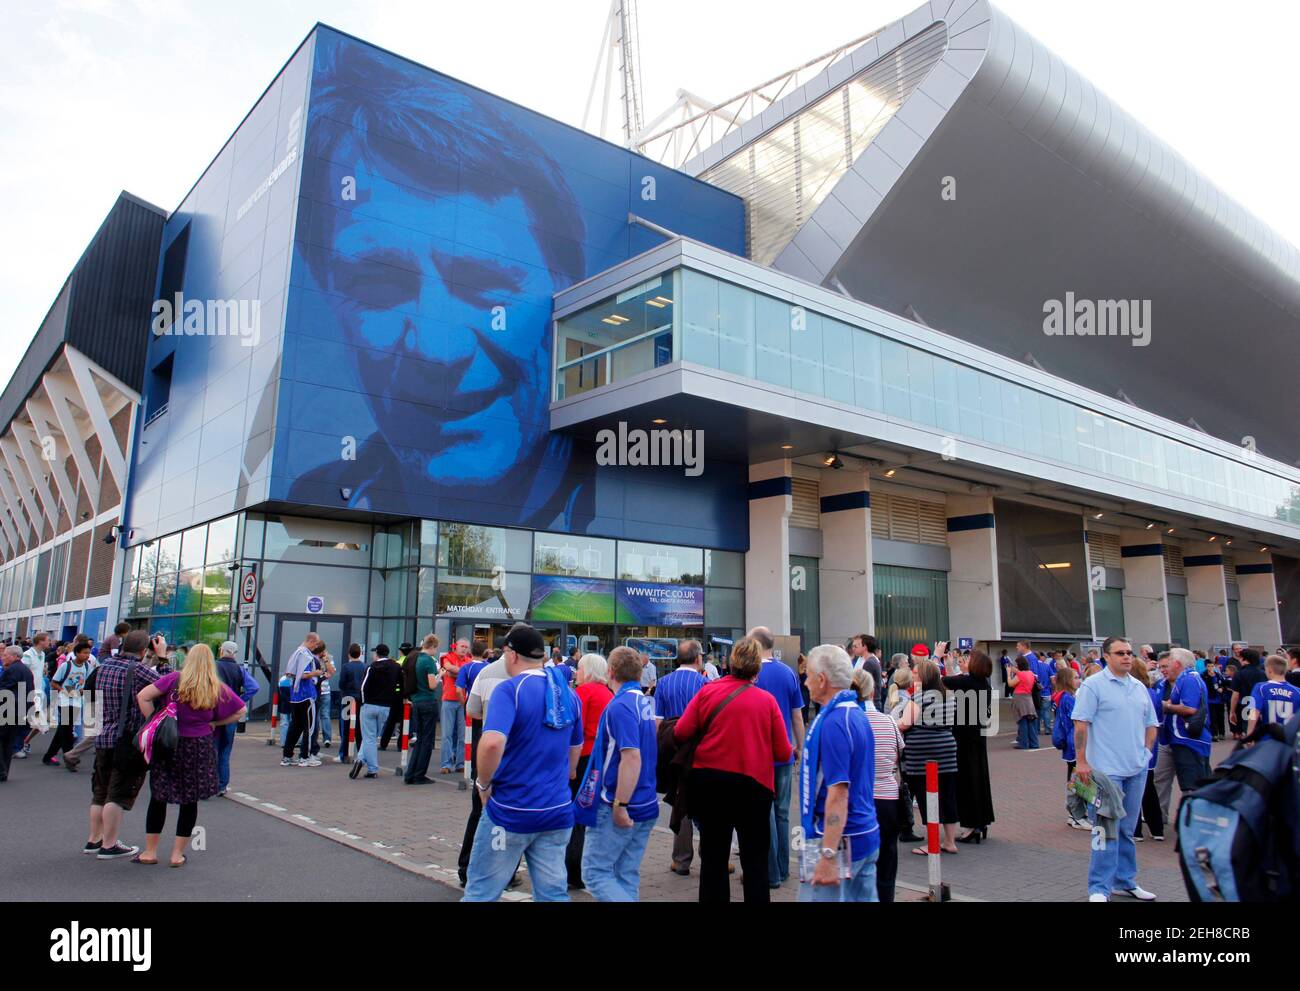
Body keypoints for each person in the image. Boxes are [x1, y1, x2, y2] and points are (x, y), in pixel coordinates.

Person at [463, 625, 583, 902]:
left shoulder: (510, 690)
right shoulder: (568, 695)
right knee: (552, 893)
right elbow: (575, 748)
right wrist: (565, 774)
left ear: (512, 654)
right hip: (556, 811)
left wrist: (483, 783)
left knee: (482, 890)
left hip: (510, 812)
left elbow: (492, 742)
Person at [673, 636, 792, 902]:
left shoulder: (708, 691)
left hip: (711, 782)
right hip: (754, 786)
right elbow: (783, 751)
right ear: (756, 668)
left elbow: (681, 732)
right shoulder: (767, 701)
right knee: (755, 860)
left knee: (714, 859)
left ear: (730, 663)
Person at [133, 643, 245, 866]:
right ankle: (177, 854)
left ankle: (150, 852)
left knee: (159, 796)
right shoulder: (215, 687)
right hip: (200, 745)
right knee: (189, 799)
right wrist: (215, 722)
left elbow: (143, 696)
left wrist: (155, 720)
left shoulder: (174, 679)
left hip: (168, 743)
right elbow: (240, 711)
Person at [1071, 637, 1160, 901]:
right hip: (1105, 772)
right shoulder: (1093, 686)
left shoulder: (1138, 687)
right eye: (1120, 653)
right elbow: (1081, 725)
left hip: (1136, 769)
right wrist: (1082, 762)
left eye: (1130, 653)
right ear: (1106, 656)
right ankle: (1099, 887)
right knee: (1104, 830)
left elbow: (1151, 723)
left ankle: (1125, 880)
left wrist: (1145, 754)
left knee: (1127, 830)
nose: (1127, 657)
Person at [799, 644, 880, 901]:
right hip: (863, 834)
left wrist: (827, 854)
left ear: (822, 680)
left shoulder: (835, 722)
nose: (805, 680)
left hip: (837, 839)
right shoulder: (856, 713)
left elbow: (838, 793)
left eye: (809, 674)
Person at [578, 646, 658, 900]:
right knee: (625, 873)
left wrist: (620, 803)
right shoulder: (643, 702)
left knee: (595, 872)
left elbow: (631, 756)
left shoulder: (620, 706)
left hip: (621, 801)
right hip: (646, 799)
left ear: (610, 672)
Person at [85, 631, 161, 859]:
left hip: (103, 735)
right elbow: (168, 685)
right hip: (126, 739)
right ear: (143, 650)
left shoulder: (103, 667)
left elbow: (89, 693)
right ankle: (109, 845)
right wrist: (162, 658)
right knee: (117, 794)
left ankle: (94, 839)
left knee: (100, 791)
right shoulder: (138, 671)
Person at [749, 625, 805, 889]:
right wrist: (800, 748)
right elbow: (797, 715)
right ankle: (783, 868)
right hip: (783, 752)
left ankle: (770, 872)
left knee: (764, 814)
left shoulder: (750, 673)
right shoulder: (788, 673)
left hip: (757, 754)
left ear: (755, 644)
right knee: (782, 813)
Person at [458, 634, 515, 887]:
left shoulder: (486, 671)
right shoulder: (532, 675)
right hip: (513, 752)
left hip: (487, 748)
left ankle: (466, 867)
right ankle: (505, 873)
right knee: (509, 817)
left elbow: (471, 710)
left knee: (479, 812)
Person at [653, 638, 707, 876]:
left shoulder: (663, 683)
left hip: (673, 751)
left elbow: (656, 723)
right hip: (700, 750)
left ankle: (681, 859)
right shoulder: (706, 684)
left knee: (679, 801)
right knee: (707, 804)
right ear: (697, 659)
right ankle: (713, 856)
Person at [898, 658, 960, 855]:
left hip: (923, 751)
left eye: (915, 673)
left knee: (927, 797)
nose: (912, 676)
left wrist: (892, 721)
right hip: (947, 747)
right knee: (948, 795)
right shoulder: (949, 696)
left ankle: (933, 842)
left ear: (924, 676)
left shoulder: (919, 697)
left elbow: (905, 724)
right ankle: (950, 841)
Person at [854, 669, 903, 901]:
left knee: (857, 864)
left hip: (858, 801)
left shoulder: (848, 723)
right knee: (887, 860)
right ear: (873, 691)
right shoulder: (889, 723)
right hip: (887, 800)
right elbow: (897, 756)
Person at [566, 652, 612, 889]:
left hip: (583, 757)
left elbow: (576, 730)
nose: (576, 673)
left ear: (589, 671)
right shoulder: (607, 692)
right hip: (599, 758)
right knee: (591, 814)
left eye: (580, 669)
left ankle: (573, 869)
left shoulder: (583, 692)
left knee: (576, 816)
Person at [941, 648, 995, 842]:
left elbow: (944, 682)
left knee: (966, 781)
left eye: (968, 659)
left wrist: (939, 657)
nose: (965, 661)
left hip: (963, 737)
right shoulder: (983, 684)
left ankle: (971, 824)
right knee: (979, 778)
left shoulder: (966, 682)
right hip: (978, 737)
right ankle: (981, 822)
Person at [1159, 648, 1213, 792]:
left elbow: (1190, 708)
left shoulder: (1189, 679)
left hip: (1188, 740)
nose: (1165, 667)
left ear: (1177, 663)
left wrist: (1166, 706)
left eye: (1168, 663)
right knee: (1189, 784)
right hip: (1181, 739)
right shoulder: (1185, 679)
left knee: (1192, 786)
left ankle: (1193, 812)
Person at [43, 640, 96, 766]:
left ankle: (49, 756)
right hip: (65, 700)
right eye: (84, 653)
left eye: (88, 653)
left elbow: (87, 683)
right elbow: (54, 682)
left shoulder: (87, 667)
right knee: (66, 729)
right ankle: (70, 756)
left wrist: (83, 690)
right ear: (77, 653)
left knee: (64, 729)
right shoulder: (66, 666)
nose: (87, 655)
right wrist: (63, 690)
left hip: (77, 701)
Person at [353, 644, 401, 780]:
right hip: (386, 706)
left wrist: (362, 702)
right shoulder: (396, 667)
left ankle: (372, 769)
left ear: (377, 654)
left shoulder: (371, 667)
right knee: (373, 737)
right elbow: (400, 685)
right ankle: (360, 759)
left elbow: (363, 687)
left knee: (368, 737)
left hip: (369, 705)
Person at [1129, 660, 1164, 841]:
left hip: (1135, 745)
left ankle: (1135, 830)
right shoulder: (1153, 693)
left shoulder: (1134, 692)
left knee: (1132, 789)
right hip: (1151, 745)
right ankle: (1157, 828)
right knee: (1149, 787)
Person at [1052, 665, 1089, 830]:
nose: (1078, 680)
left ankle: (1076, 814)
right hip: (1074, 744)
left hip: (1070, 744)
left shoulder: (1064, 697)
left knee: (1075, 780)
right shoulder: (1068, 699)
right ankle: (1076, 815)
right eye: (1075, 677)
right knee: (1077, 781)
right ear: (1068, 680)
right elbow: (1077, 721)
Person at [280, 632, 324, 767]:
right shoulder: (306, 655)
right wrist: (316, 673)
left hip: (295, 695)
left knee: (295, 727)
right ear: (310, 641)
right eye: (315, 644)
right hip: (307, 695)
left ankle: (287, 756)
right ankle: (305, 757)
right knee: (309, 728)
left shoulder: (296, 653)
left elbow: (289, 673)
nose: (315, 647)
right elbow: (304, 675)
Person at [404, 634, 442, 784]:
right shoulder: (429, 661)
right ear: (432, 646)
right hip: (428, 701)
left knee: (419, 739)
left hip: (417, 702)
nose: (436, 651)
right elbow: (432, 685)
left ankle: (410, 773)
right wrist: (440, 675)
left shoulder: (415, 658)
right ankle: (419, 774)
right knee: (427, 740)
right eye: (436, 648)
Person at [0, 644, 34, 783]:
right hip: (20, 711)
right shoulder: (26, 670)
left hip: (8, 710)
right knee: (8, 743)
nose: (3, 658)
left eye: (5, 655)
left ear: (14, 656)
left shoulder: (12, 670)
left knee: (2, 741)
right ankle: (4, 771)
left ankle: (1, 770)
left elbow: (4, 690)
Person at [1247, 654, 1300, 733]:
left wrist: (1249, 732)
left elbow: (1253, 711)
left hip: (1269, 737)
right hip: (1290, 738)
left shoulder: (1260, 688)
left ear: (1269, 670)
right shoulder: (1297, 691)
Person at [439, 639, 468, 773]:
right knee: (447, 734)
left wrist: (454, 673)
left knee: (462, 735)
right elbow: (448, 668)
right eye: (462, 646)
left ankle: (460, 764)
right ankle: (446, 764)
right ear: (456, 647)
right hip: (449, 699)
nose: (464, 649)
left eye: (466, 647)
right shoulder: (448, 657)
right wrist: (463, 673)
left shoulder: (468, 660)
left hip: (463, 701)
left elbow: (451, 671)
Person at [336, 643, 366, 763]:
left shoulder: (346, 667)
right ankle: (360, 754)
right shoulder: (365, 666)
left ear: (349, 654)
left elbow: (341, 684)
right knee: (359, 727)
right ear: (360, 653)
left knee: (346, 727)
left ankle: (344, 754)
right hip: (360, 699)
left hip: (347, 699)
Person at [1228, 648, 1267, 740]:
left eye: (1240, 658)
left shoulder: (1239, 674)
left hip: (1246, 705)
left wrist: (1232, 711)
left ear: (1245, 659)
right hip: (1262, 706)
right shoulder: (1263, 673)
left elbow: (1235, 695)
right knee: (1262, 731)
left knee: (1249, 731)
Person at [1007, 655, 1039, 749]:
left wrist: (1008, 673)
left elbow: (1010, 684)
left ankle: (1023, 743)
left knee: (1022, 721)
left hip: (1019, 698)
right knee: (1031, 721)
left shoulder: (1020, 675)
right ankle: (1034, 743)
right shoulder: (1030, 673)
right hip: (1028, 698)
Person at [849, 634, 884, 705]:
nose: (853, 648)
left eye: (855, 646)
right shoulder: (864, 660)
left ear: (864, 647)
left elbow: (863, 685)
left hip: (869, 703)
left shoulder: (869, 663)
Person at [1203, 656, 1227, 741]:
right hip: (1210, 699)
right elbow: (1204, 687)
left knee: (1220, 716)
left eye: (1212, 666)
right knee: (1213, 718)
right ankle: (1214, 734)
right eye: (1209, 666)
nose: (1211, 668)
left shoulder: (1218, 675)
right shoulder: (1203, 676)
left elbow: (1224, 684)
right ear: (1206, 667)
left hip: (1219, 699)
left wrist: (1222, 688)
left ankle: (1222, 733)